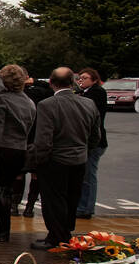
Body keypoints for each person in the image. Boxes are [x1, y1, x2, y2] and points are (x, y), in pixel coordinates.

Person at [27, 67, 100, 250]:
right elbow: (95, 136)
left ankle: (56, 237)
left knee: (53, 201)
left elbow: (44, 139)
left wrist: (37, 161)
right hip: (79, 159)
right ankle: (65, 233)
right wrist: (85, 150)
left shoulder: (47, 105)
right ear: (73, 82)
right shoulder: (89, 104)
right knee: (72, 199)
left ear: (51, 83)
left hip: (55, 160)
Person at [0, 64, 36, 242]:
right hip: (19, 150)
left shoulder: (0, 100)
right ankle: (2, 231)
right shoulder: (28, 102)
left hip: (2, 150)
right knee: (7, 191)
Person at [74, 68, 108, 219]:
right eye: (80, 78)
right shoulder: (85, 93)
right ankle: (83, 205)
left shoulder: (97, 93)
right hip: (89, 141)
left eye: (85, 78)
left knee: (88, 175)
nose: (81, 80)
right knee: (84, 175)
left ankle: (86, 207)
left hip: (95, 142)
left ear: (94, 80)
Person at [21, 74, 54, 217]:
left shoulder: (20, 95)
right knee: (34, 175)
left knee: (20, 174)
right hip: (35, 137)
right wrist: (35, 81)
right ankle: (28, 207)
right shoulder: (40, 92)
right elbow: (50, 89)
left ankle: (18, 206)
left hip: (26, 137)